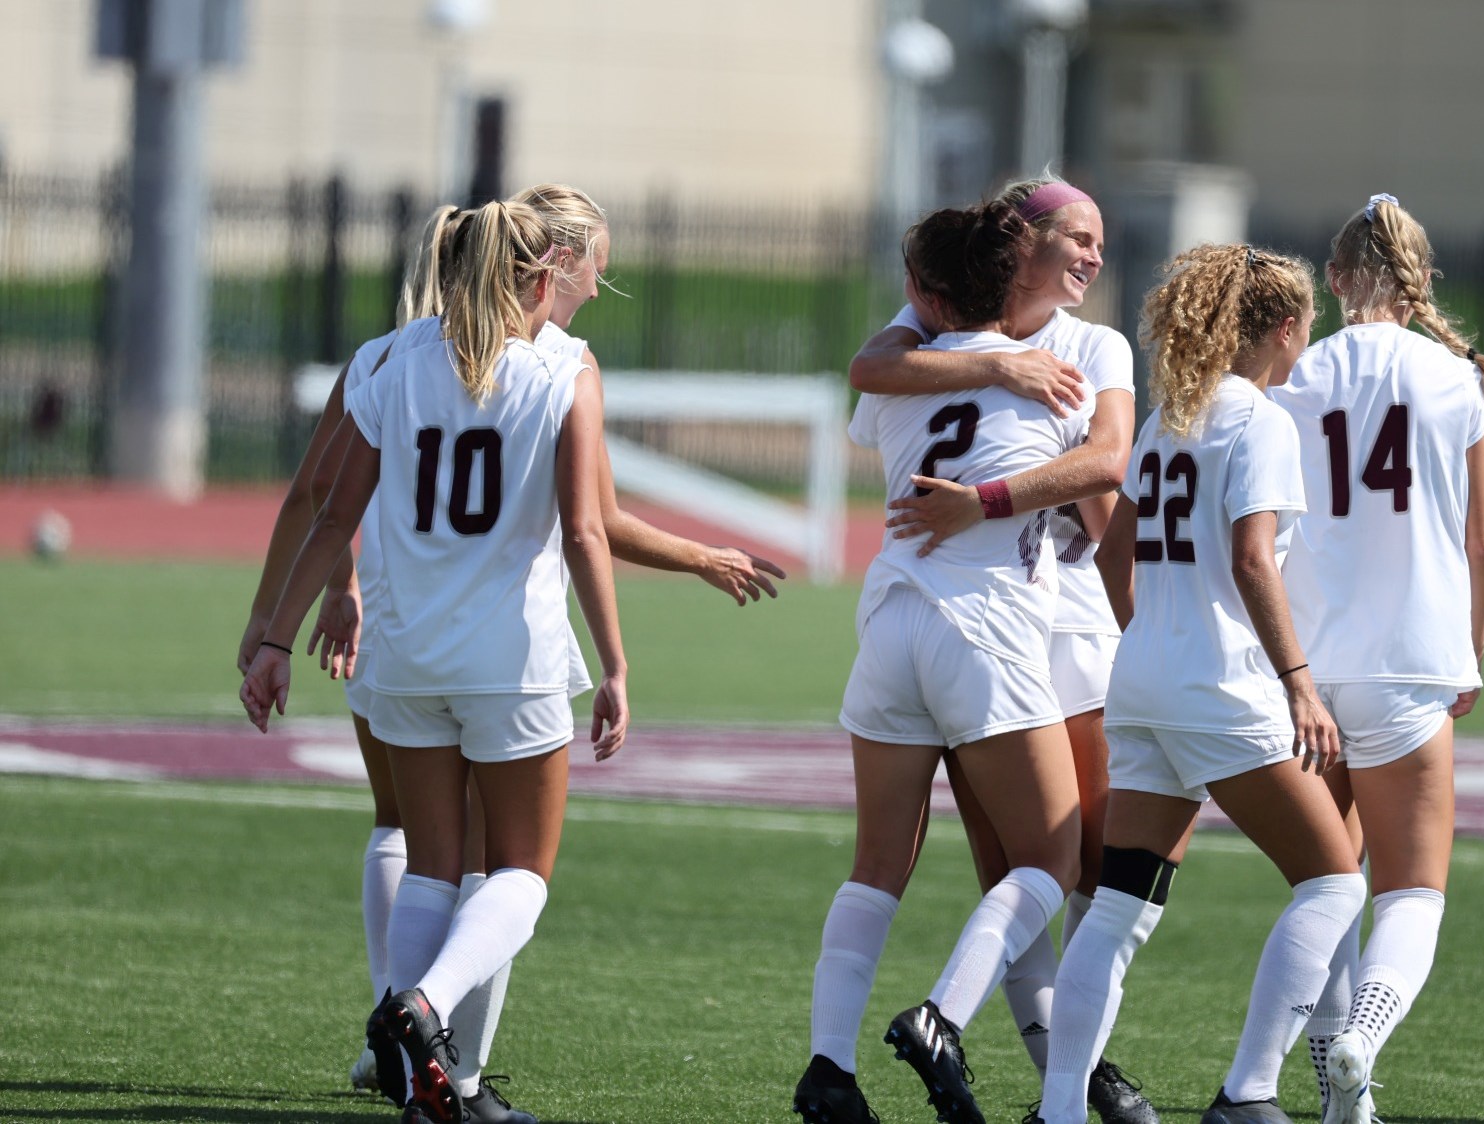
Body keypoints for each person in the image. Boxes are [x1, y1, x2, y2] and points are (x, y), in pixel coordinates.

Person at [235, 184, 780, 1117]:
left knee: (432, 866)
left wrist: (275, 635)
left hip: (403, 657)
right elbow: (587, 531)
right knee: (519, 874)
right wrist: (613, 662)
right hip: (511, 660)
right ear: (541, 275)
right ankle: (428, 1014)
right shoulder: (563, 369)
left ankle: (423, 1085)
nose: (596, 285)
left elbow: (333, 511)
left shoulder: (397, 363)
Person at [1031, 243, 1367, 1124]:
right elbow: (1252, 558)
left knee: (1118, 906)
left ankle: (1063, 1107)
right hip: (1222, 689)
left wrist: (1157, 649)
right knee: (1335, 884)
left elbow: (1113, 555)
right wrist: (1299, 682)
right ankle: (1249, 1093)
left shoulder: (1170, 414)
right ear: (1284, 330)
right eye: (1306, 327)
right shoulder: (1259, 421)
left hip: (1143, 684)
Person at [846, 175, 1152, 1122]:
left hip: (1071, 624)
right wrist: (994, 368)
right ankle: (1076, 1081)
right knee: (1018, 867)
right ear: (1022, 248)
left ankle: (1069, 1066)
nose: (1095, 257)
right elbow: (870, 366)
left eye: (1100, 240)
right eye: (1078, 239)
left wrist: (990, 499)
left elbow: (1108, 469)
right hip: (991, 624)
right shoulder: (936, 328)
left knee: (1099, 870)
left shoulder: (1093, 342)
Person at [794, 201, 1090, 1124]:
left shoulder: (892, 379)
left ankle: (828, 1069)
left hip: (890, 621)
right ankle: (940, 1017)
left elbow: (888, 364)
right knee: (1052, 856)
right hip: (988, 625)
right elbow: (1100, 473)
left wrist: (936, 325)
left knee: (876, 864)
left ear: (921, 292)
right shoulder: (1052, 377)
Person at [1269, 193, 1484, 1123]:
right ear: (1419, 285)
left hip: (1311, 669)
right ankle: (1361, 1042)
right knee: (1413, 894)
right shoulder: (1457, 381)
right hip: (1411, 661)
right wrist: (1472, 652)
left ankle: (1340, 1098)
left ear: (1334, 280)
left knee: (1328, 889)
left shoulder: (1300, 372)